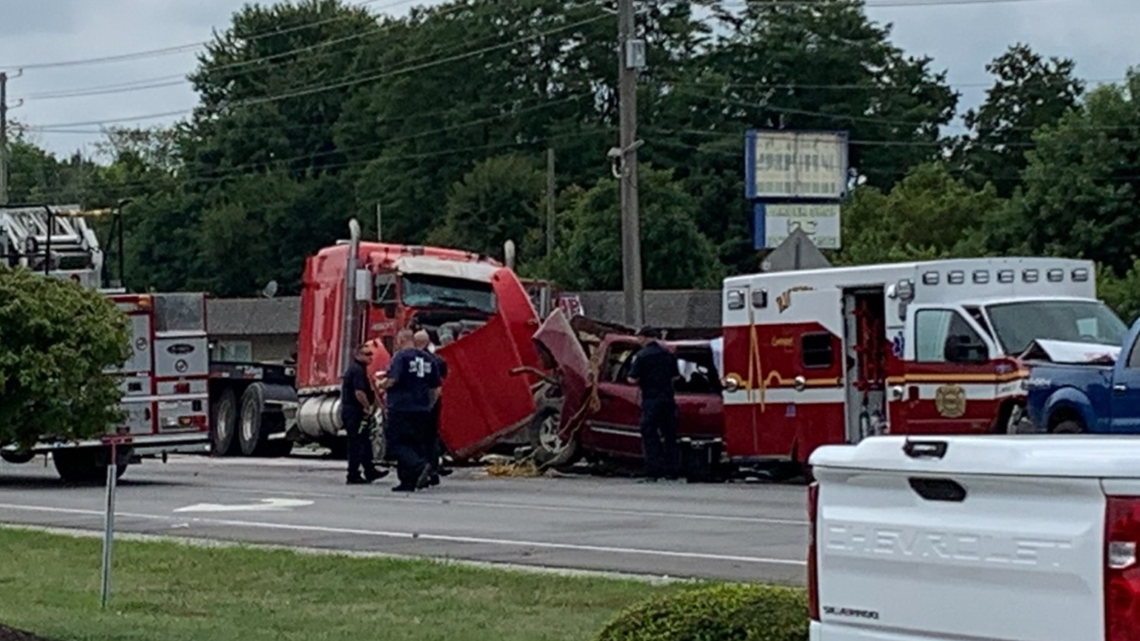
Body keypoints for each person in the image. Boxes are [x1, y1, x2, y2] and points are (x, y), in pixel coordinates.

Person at [376, 329, 442, 492]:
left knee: (396, 444)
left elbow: (393, 379)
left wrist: (381, 384)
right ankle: (408, 481)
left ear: (400, 340)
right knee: (414, 444)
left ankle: (420, 466)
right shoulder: (428, 358)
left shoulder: (401, 357)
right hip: (422, 409)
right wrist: (429, 404)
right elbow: (436, 388)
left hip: (401, 407)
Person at [627, 326, 682, 482]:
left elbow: (632, 379)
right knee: (670, 435)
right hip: (668, 399)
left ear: (645, 337)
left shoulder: (641, 356)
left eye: (639, 337)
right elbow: (676, 377)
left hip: (651, 400)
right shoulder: (668, 354)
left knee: (650, 435)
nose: (638, 340)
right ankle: (672, 471)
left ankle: (654, 471)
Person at [340, 342, 389, 485]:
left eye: (371, 354)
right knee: (356, 443)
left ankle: (369, 470)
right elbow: (359, 392)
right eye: (367, 354)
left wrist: (379, 406)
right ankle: (353, 474)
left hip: (355, 411)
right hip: (354, 411)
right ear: (358, 355)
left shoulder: (360, 369)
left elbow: (370, 391)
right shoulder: (357, 370)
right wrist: (367, 407)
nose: (370, 357)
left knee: (364, 441)